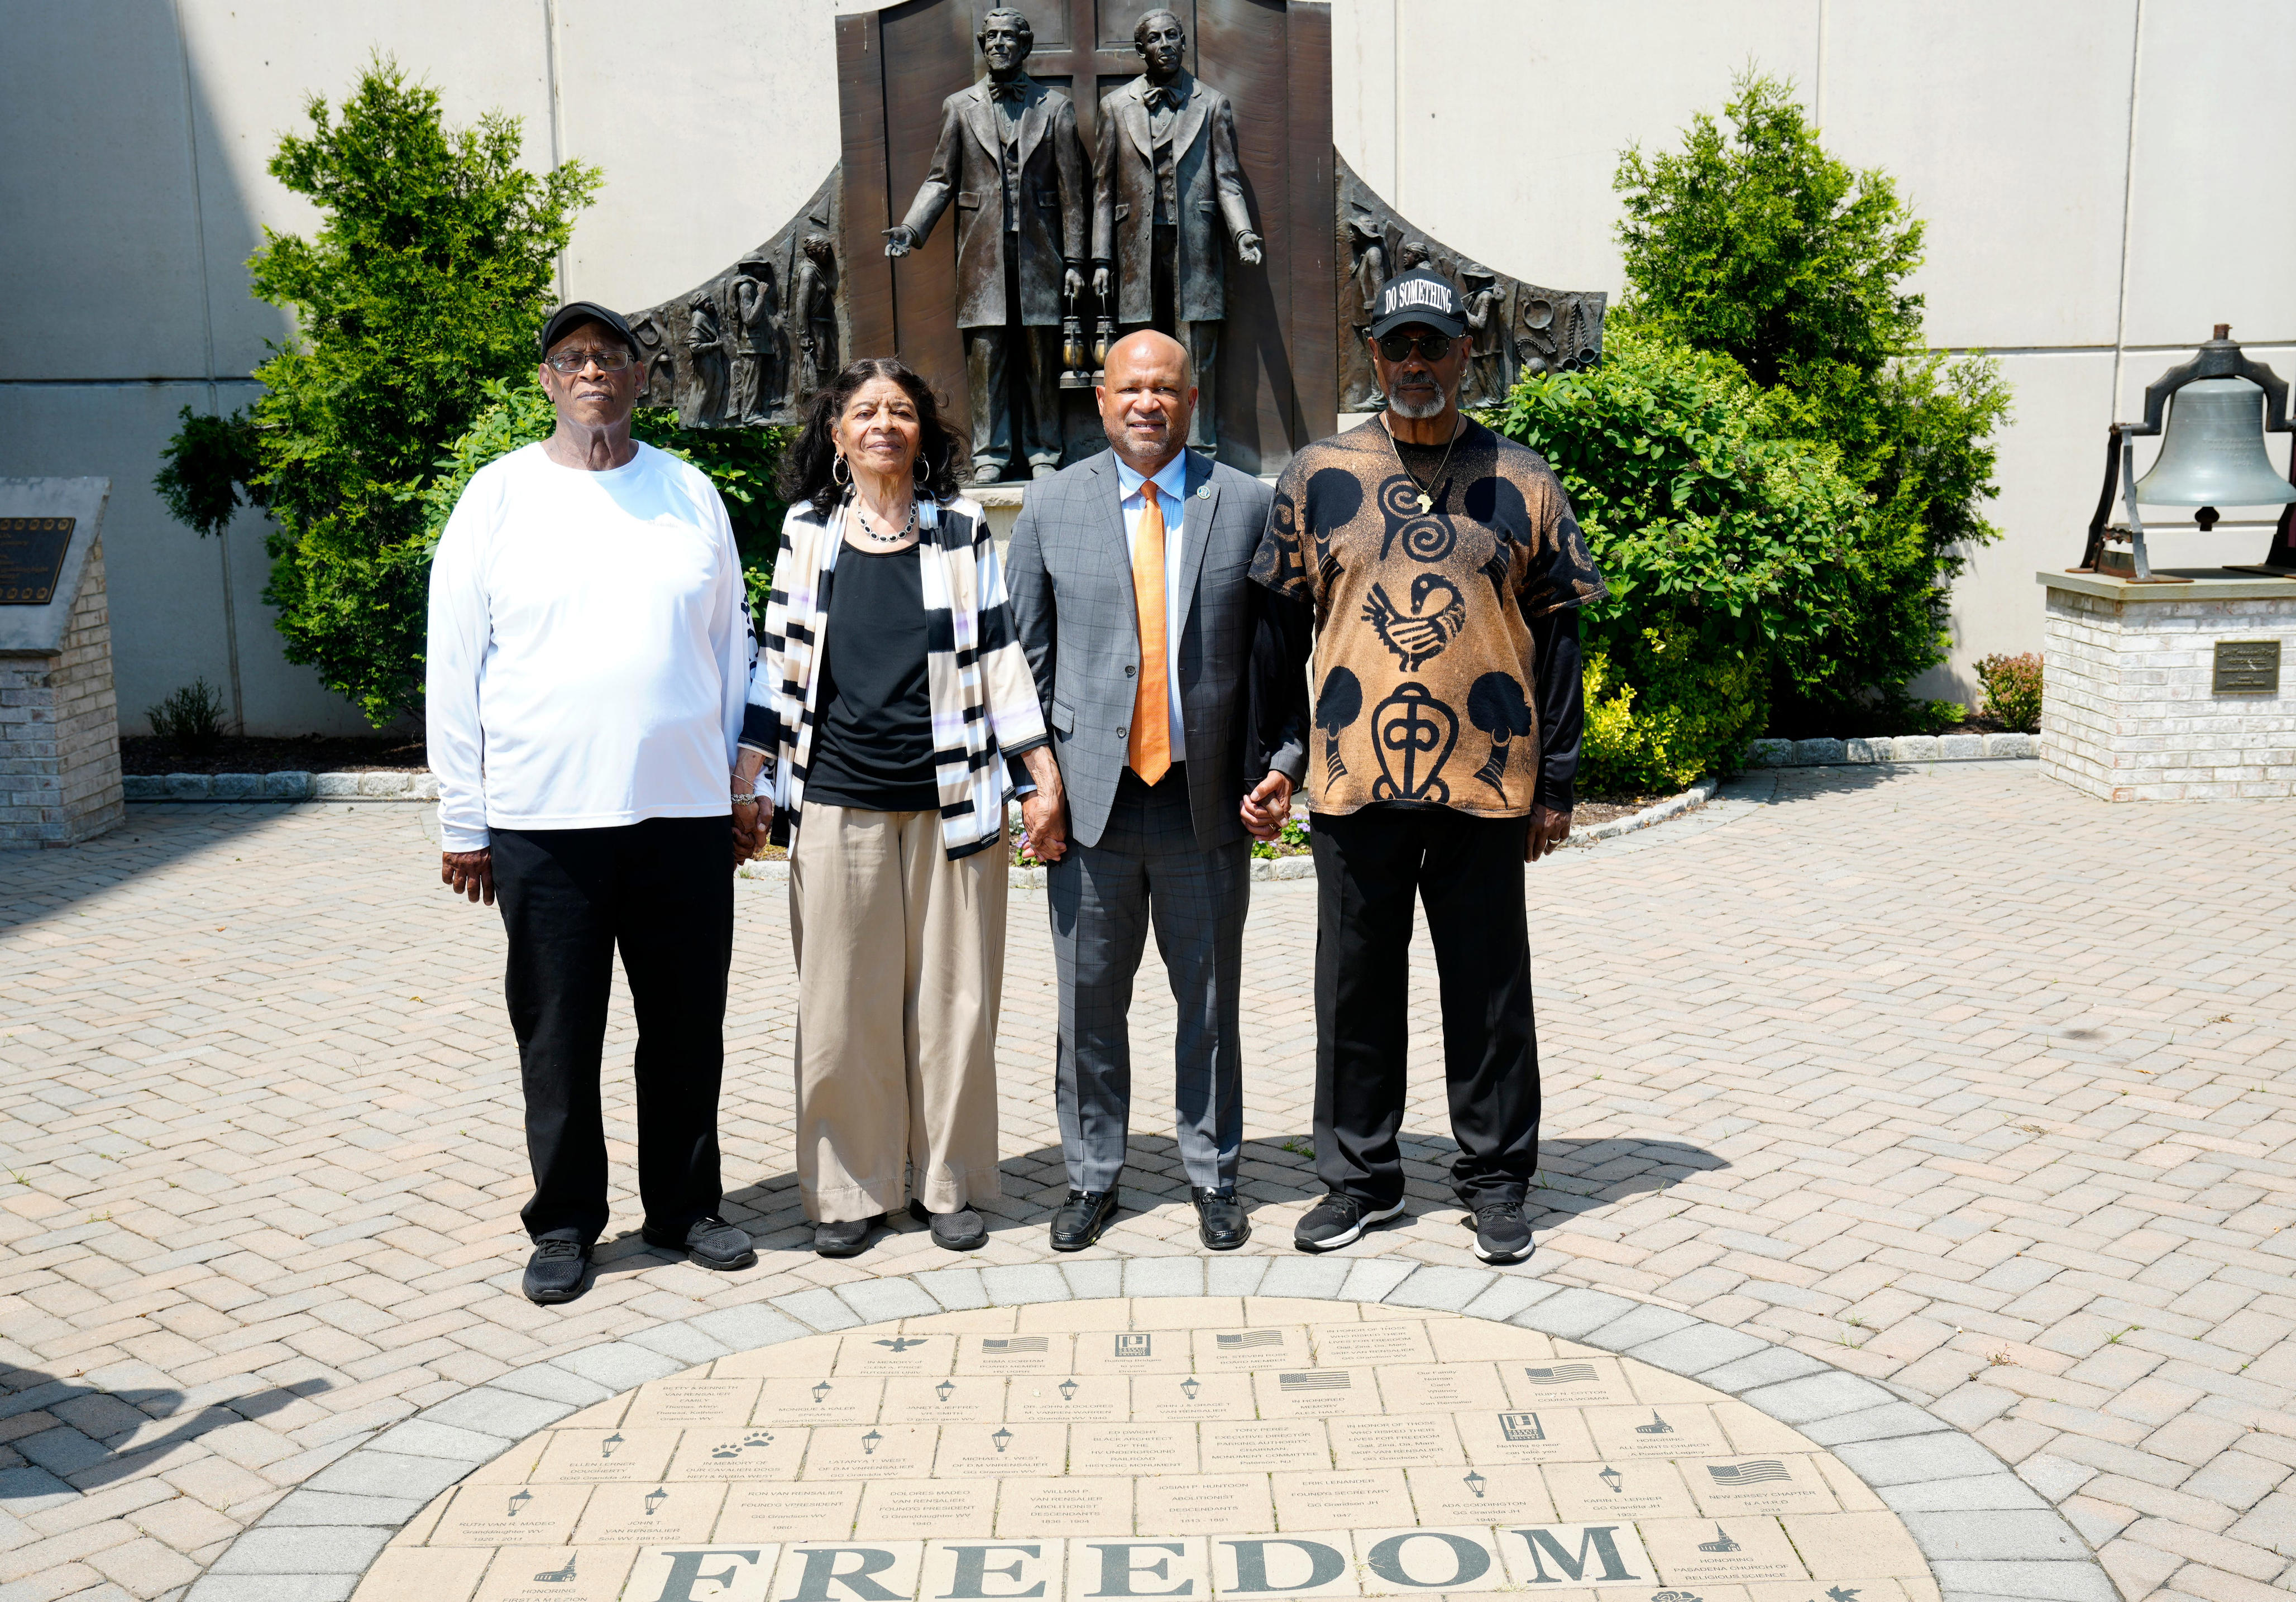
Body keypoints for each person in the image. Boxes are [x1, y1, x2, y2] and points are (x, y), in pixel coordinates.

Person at [1249, 267, 1606, 1266]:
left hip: (1487, 782)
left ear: (1465, 355)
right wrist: (1275, 758)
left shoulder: (1523, 480)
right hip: (1355, 777)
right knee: (1355, 987)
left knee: (1489, 990)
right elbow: (1277, 630)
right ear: (1373, 353)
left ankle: (1496, 1180)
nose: (1416, 363)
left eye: (1434, 346)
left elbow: (1562, 634)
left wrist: (1560, 779)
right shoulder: (1316, 473)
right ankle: (1358, 1178)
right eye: (1398, 345)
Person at [428, 301, 760, 1305]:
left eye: (610, 357)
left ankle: (685, 1206)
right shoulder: (496, 499)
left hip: (682, 817)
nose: (592, 373)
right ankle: (566, 1221)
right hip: (545, 821)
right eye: (571, 358)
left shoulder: (689, 492)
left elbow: (730, 648)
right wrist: (464, 818)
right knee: (561, 1033)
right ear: (546, 381)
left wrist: (740, 787)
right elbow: (454, 664)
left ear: (639, 378)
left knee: (685, 1025)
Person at [736, 357, 1056, 1257]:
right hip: (837, 800)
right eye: (865, 412)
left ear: (925, 432)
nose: (884, 424)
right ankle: (849, 1190)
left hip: (954, 800)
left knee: (956, 1005)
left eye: (902, 411)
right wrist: (749, 779)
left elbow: (999, 654)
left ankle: (950, 1184)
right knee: (842, 1008)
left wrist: (1038, 775)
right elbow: (778, 660)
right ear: (836, 434)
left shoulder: (959, 530)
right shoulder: (808, 531)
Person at [1006, 330, 1303, 1253]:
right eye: (1130, 389)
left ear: (1192, 399)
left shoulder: (1246, 504)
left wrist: (1285, 762)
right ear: (1101, 400)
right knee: (1089, 1003)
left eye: (1165, 390)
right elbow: (1021, 659)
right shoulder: (1051, 505)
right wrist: (1035, 781)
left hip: (1204, 804)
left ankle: (1212, 1169)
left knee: (1207, 1001)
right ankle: (1093, 1174)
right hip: (1090, 809)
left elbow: (1285, 654)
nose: (1147, 403)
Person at [884, 7, 1085, 484]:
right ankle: (991, 451)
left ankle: (1044, 451)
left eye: (1008, 37)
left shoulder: (1054, 107)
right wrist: (912, 229)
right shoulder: (960, 107)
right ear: (983, 45)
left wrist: (1076, 260)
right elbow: (940, 180)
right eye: (991, 37)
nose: (999, 45)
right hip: (981, 254)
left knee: (1041, 353)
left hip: (1042, 253)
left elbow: (1074, 194)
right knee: (988, 355)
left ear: (1025, 45)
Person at [1091, 8, 1262, 455]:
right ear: (1141, 48)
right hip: (1135, 250)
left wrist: (1243, 234)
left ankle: (1201, 445)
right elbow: (1104, 192)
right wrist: (1101, 259)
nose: (1165, 44)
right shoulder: (1115, 106)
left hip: (1197, 244)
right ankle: (1136, 443)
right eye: (1155, 38)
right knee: (1138, 349)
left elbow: (1227, 180)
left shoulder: (1212, 103)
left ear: (1184, 44)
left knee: (1196, 346)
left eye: (1173, 36)